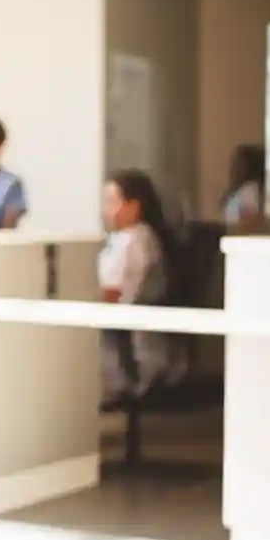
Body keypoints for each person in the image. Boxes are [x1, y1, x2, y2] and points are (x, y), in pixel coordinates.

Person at [98, 169, 187, 402]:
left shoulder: (135, 240)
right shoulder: (125, 238)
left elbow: (115, 294)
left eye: (112, 201)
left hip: (135, 349)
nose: (106, 210)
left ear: (133, 207)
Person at [221, 144, 266, 232]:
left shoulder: (250, 190)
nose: (233, 165)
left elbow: (251, 220)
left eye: (238, 161)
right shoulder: (240, 190)